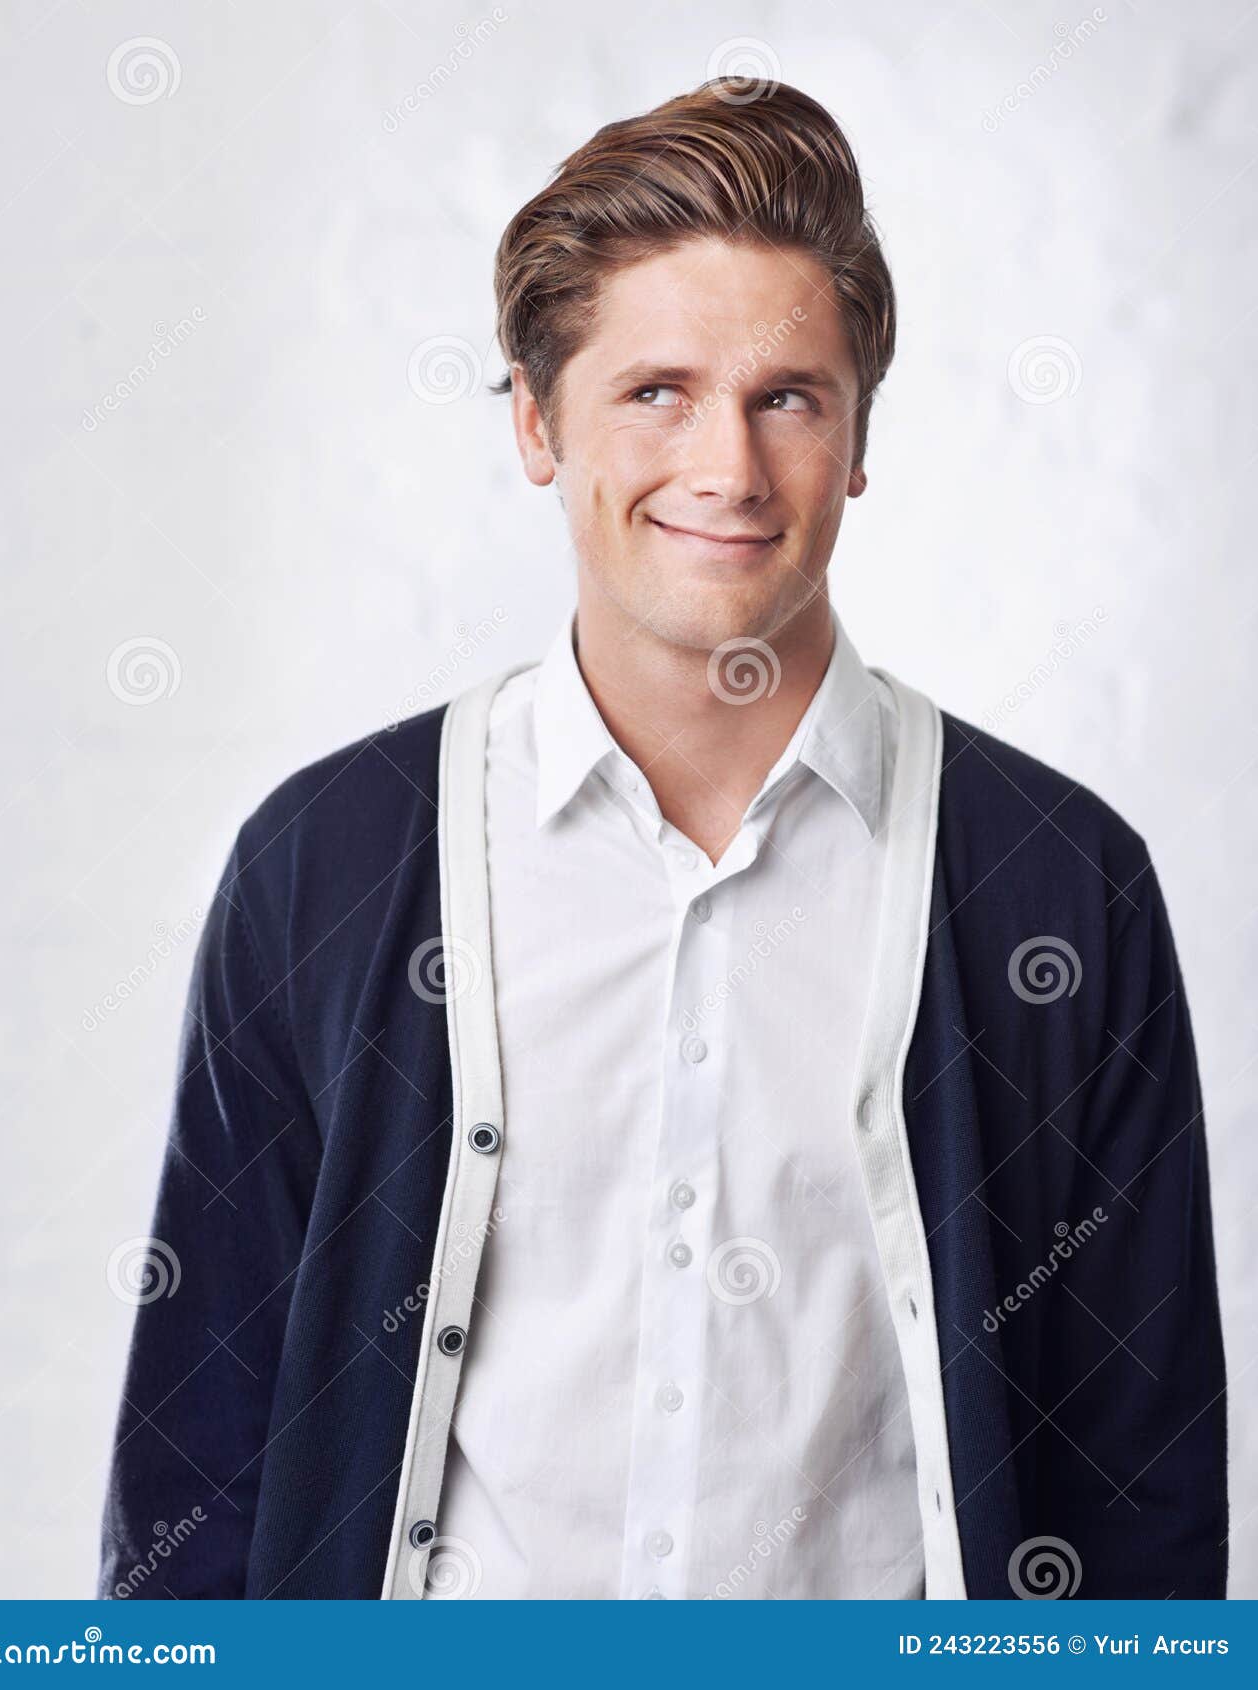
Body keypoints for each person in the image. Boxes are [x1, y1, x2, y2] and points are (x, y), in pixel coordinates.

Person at [99, 77, 1227, 1601]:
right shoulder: (330, 863)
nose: (728, 471)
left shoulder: (1055, 883)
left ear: (858, 436)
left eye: (788, 396)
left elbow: (1140, 1479)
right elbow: (202, 1451)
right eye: (655, 391)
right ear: (532, 422)